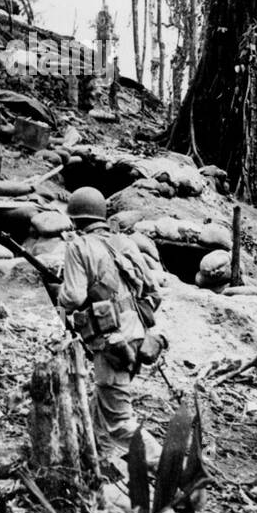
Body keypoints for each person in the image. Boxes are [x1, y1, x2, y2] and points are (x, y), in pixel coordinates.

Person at [48, 186, 164, 468]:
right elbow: (154, 292)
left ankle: (178, 475)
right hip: (138, 337)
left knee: (120, 422)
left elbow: (73, 297)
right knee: (101, 409)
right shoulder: (124, 243)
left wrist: (57, 292)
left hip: (113, 344)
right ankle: (94, 467)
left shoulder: (79, 246)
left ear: (75, 220)